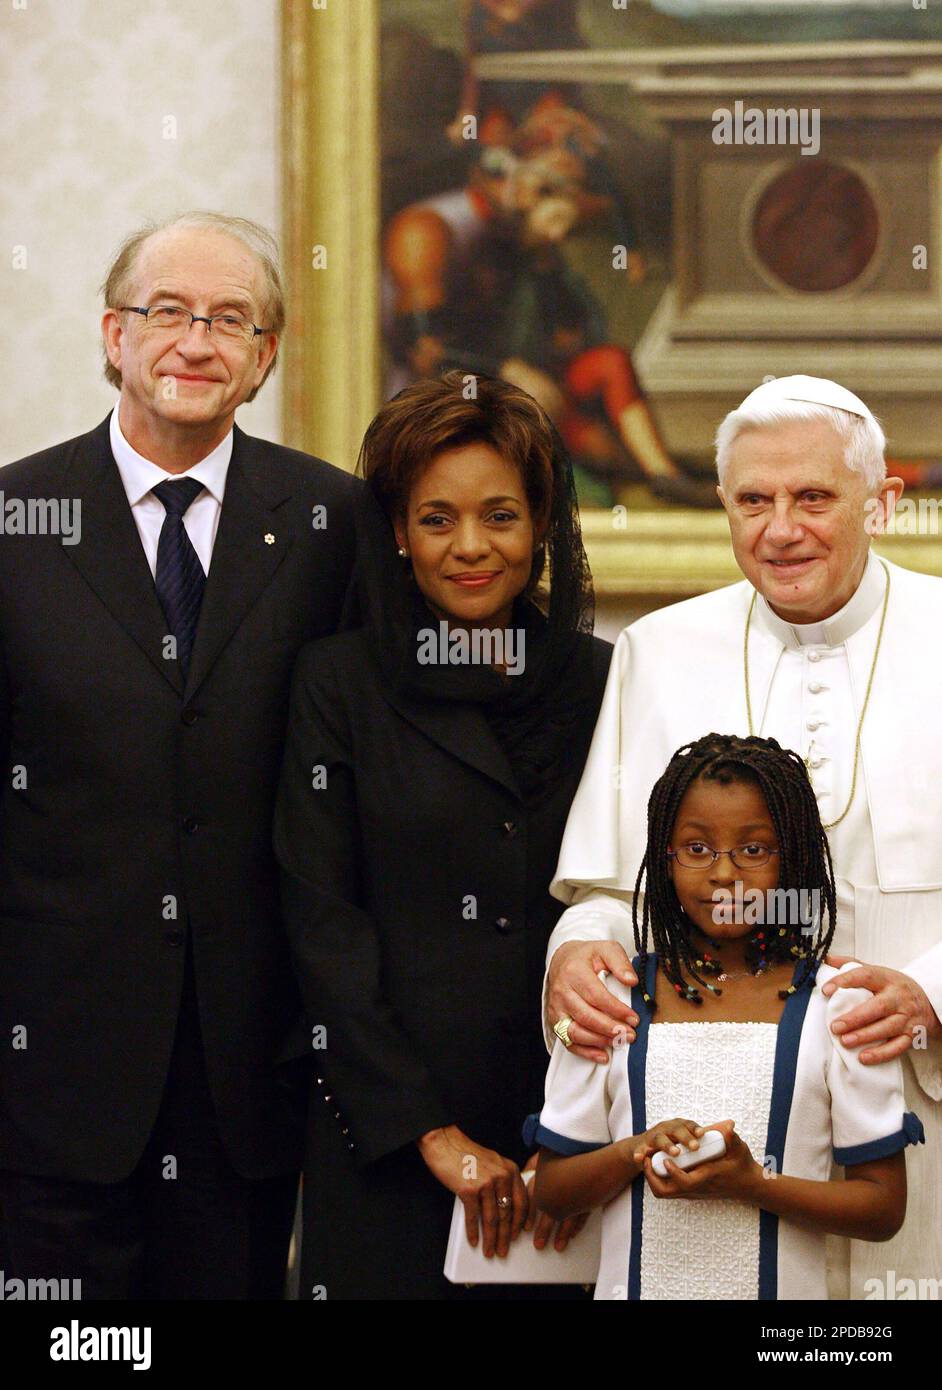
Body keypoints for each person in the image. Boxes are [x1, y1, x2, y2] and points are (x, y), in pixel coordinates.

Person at [0, 211, 358, 1298]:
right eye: (168, 312)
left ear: (265, 357)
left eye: (229, 319)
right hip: (48, 1068)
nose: (195, 341)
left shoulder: (330, 524)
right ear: (114, 335)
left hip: (248, 1069)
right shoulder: (17, 518)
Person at [542, 375, 942, 1298]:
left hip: (921, 1095)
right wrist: (577, 958)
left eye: (813, 498)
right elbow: (602, 889)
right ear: (723, 504)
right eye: (753, 501)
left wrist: (928, 995)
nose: (781, 529)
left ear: (881, 504)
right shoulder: (660, 648)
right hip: (718, 1121)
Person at [273, 370, 612, 1299]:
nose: (472, 547)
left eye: (501, 515)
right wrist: (429, 1133)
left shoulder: (602, 682)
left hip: (573, 1141)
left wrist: (576, 1137)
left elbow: (626, 906)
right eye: (436, 519)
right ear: (394, 530)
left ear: (542, 524)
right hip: (383, 1134)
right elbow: (320, 922)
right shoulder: (335, 684)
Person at [532, 734, 922, 1301]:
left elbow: (882, 1208)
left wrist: (752, 1184)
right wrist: (635, 1150)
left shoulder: (840, 1005)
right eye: (695, 848)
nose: (723, 874)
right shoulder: (613, 1000)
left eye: (755, 850)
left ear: (795, 859)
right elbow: (553, 1189)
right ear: (663, 860)